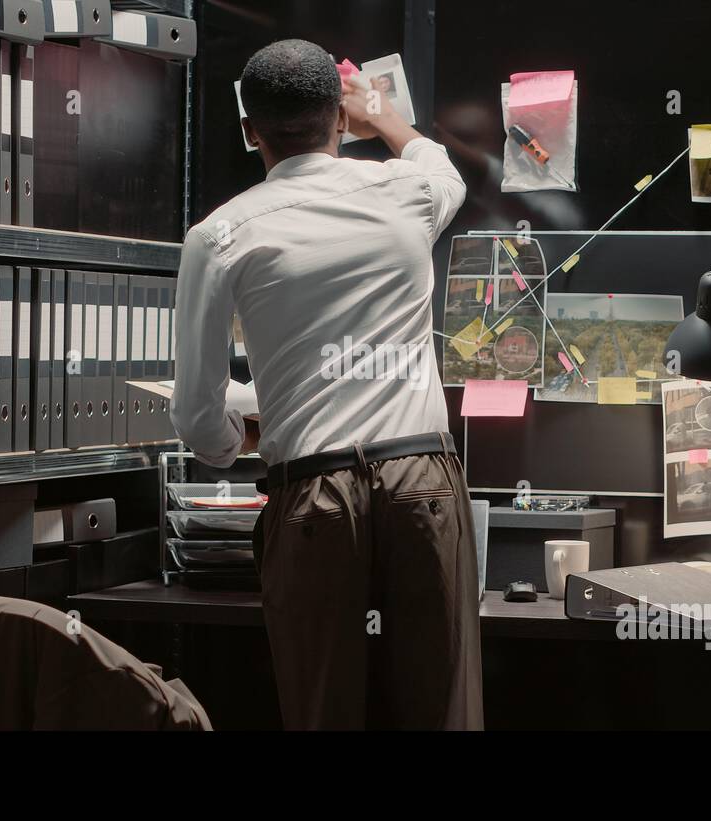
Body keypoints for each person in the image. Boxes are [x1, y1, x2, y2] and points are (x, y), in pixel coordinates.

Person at [171, 38, 481, 730]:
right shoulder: (407, 194)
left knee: (323, 712)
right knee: (444, 713)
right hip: (422, 479)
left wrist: (239, 435)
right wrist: (382, 117)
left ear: (249, 129)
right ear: (339, 120)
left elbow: (196, 416)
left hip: (313, 494)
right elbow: (440, 165)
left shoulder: (219, 235)